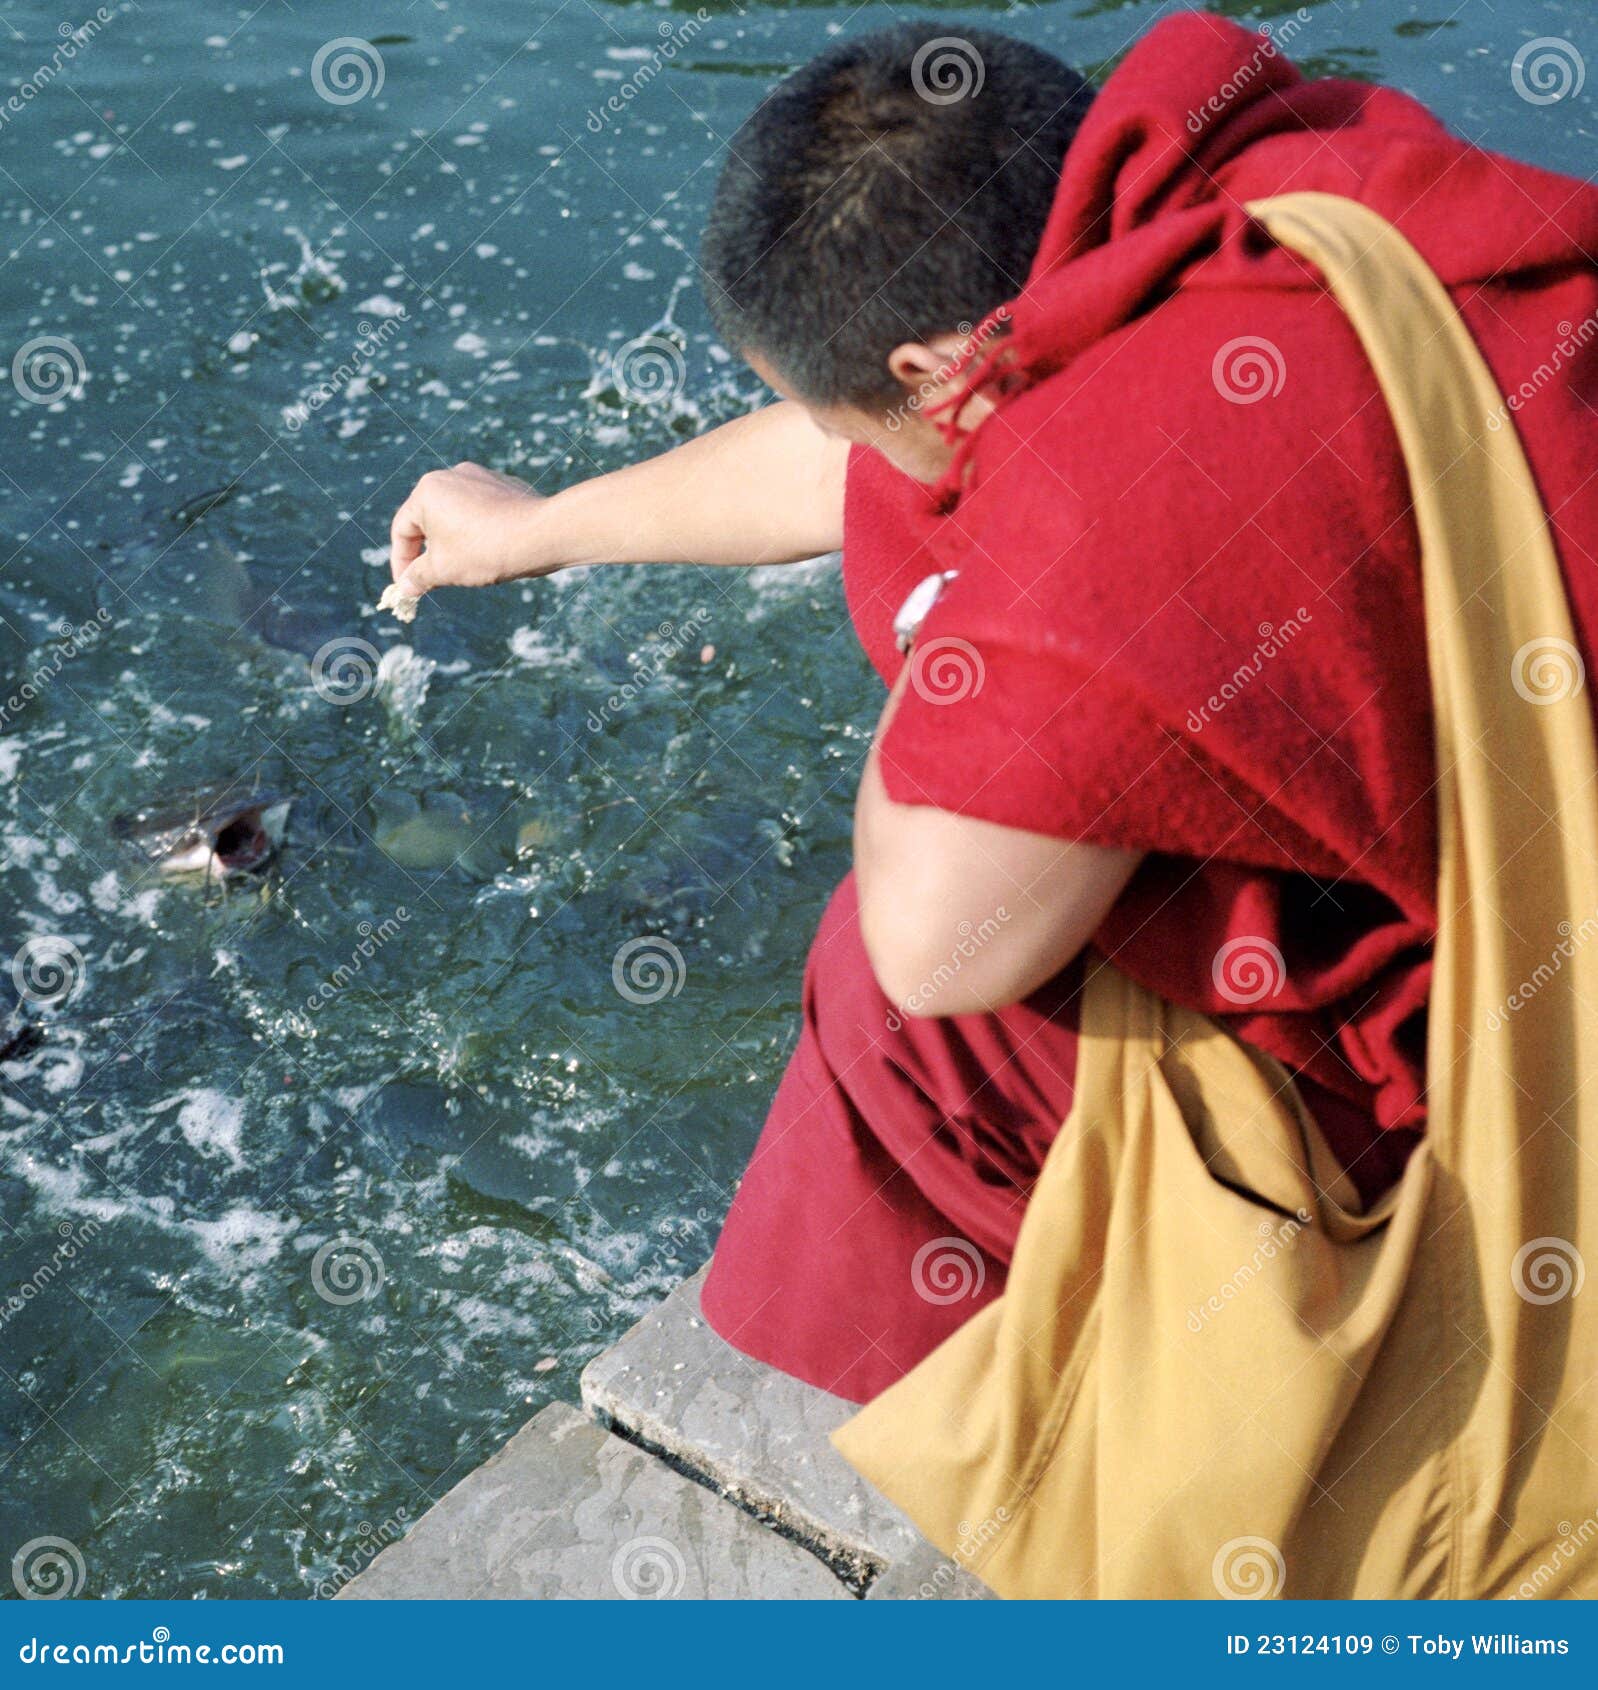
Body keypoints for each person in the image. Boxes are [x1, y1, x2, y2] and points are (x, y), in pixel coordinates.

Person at [388, 14, 1598, 1408]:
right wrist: (538, 526)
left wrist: (934, 639)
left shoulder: (1123, 492)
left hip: (1540, 1045)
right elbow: (862, 471)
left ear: (931, 373)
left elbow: (938, 946)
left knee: (918, 1024)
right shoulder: (1282, 190)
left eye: (854, 415)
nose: (863, 468)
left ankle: (1121, 1442)